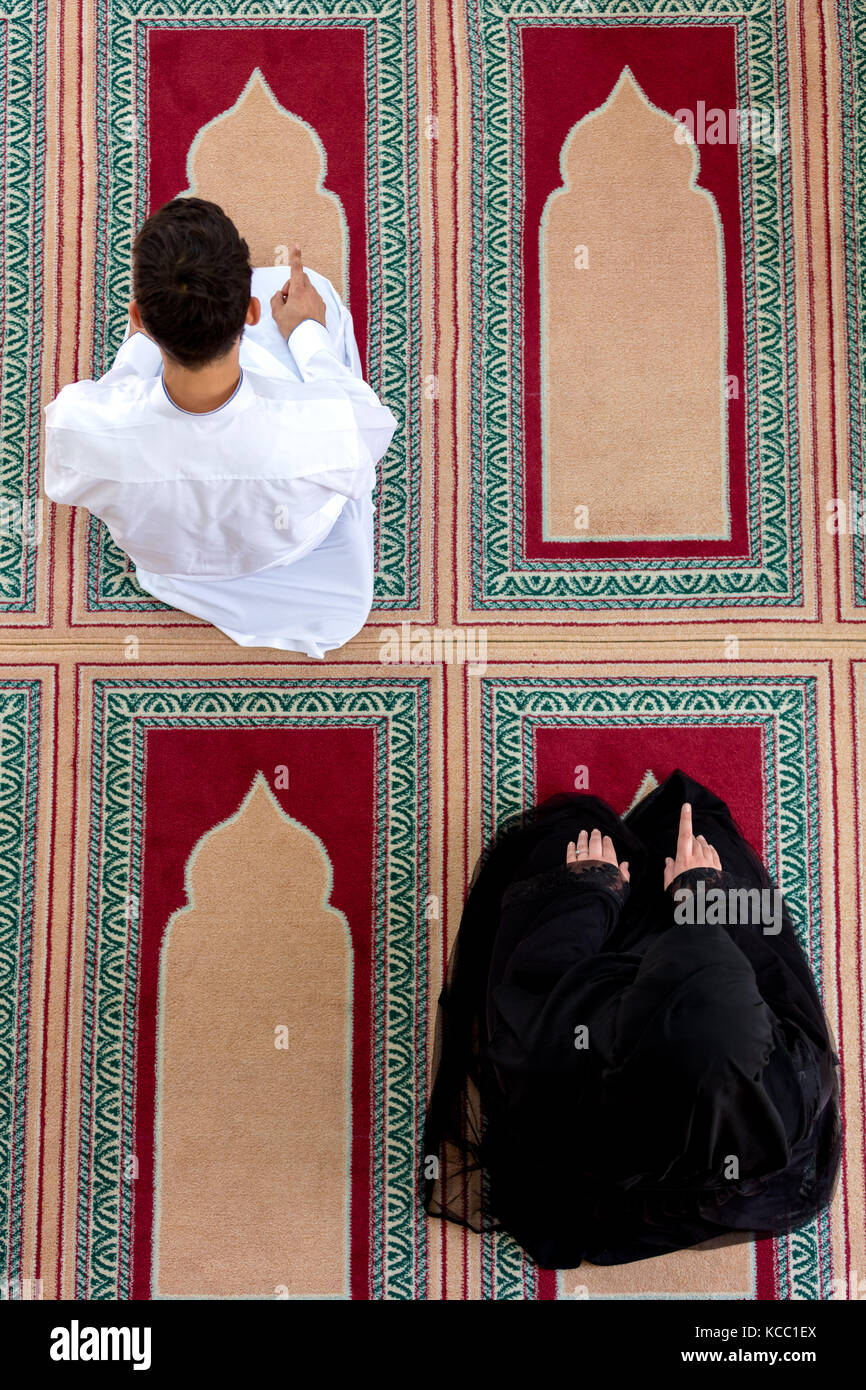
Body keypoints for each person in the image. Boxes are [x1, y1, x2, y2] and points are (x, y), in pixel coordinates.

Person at [421, 768, 842, 1269]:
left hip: (596, 1169)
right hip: (699, 1186)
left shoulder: (564, 1052)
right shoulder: (794, 1083)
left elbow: (534, 981)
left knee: (575, 839)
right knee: (699, 837)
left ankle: (638, 906)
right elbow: (770, 966)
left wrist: (589, 894)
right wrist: (701, 901)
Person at [42, 196, 398, 658]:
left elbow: (115, 393)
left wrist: (139, 348)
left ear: (138, 318)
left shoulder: (79, 425)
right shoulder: (324, 428)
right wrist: (308, 332)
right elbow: (370, 427)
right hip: (289, 547)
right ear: (252, 312)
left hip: (165, 562)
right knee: (318, 296)